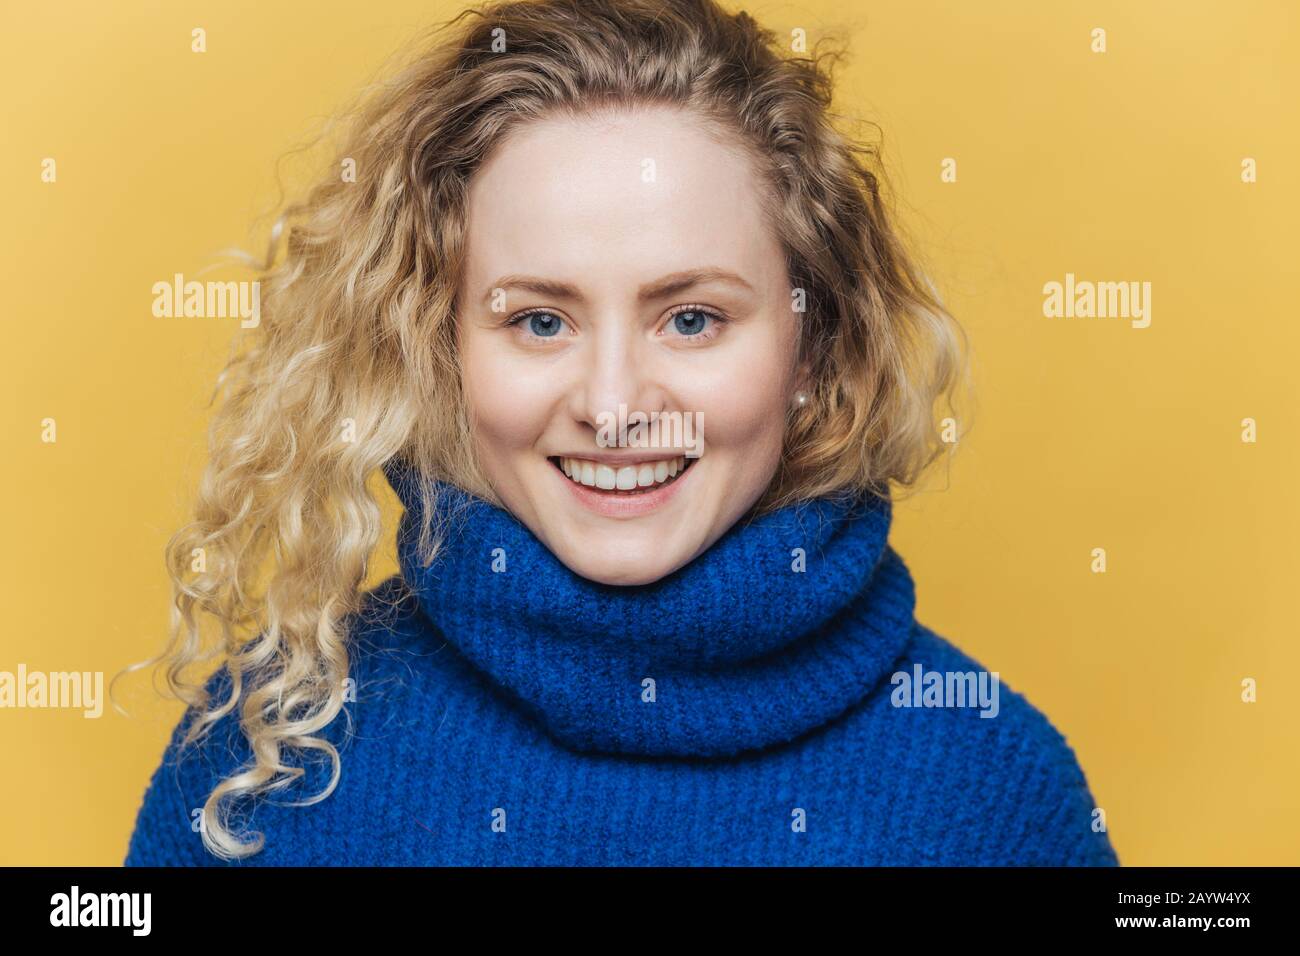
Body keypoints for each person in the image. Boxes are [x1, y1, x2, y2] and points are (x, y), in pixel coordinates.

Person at [122, 0, 1117, 866]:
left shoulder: (993, 787)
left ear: (812, 345)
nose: (612, 402)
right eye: (538, 320)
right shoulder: (265, 749)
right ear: (439, 345)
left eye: (691, 318)